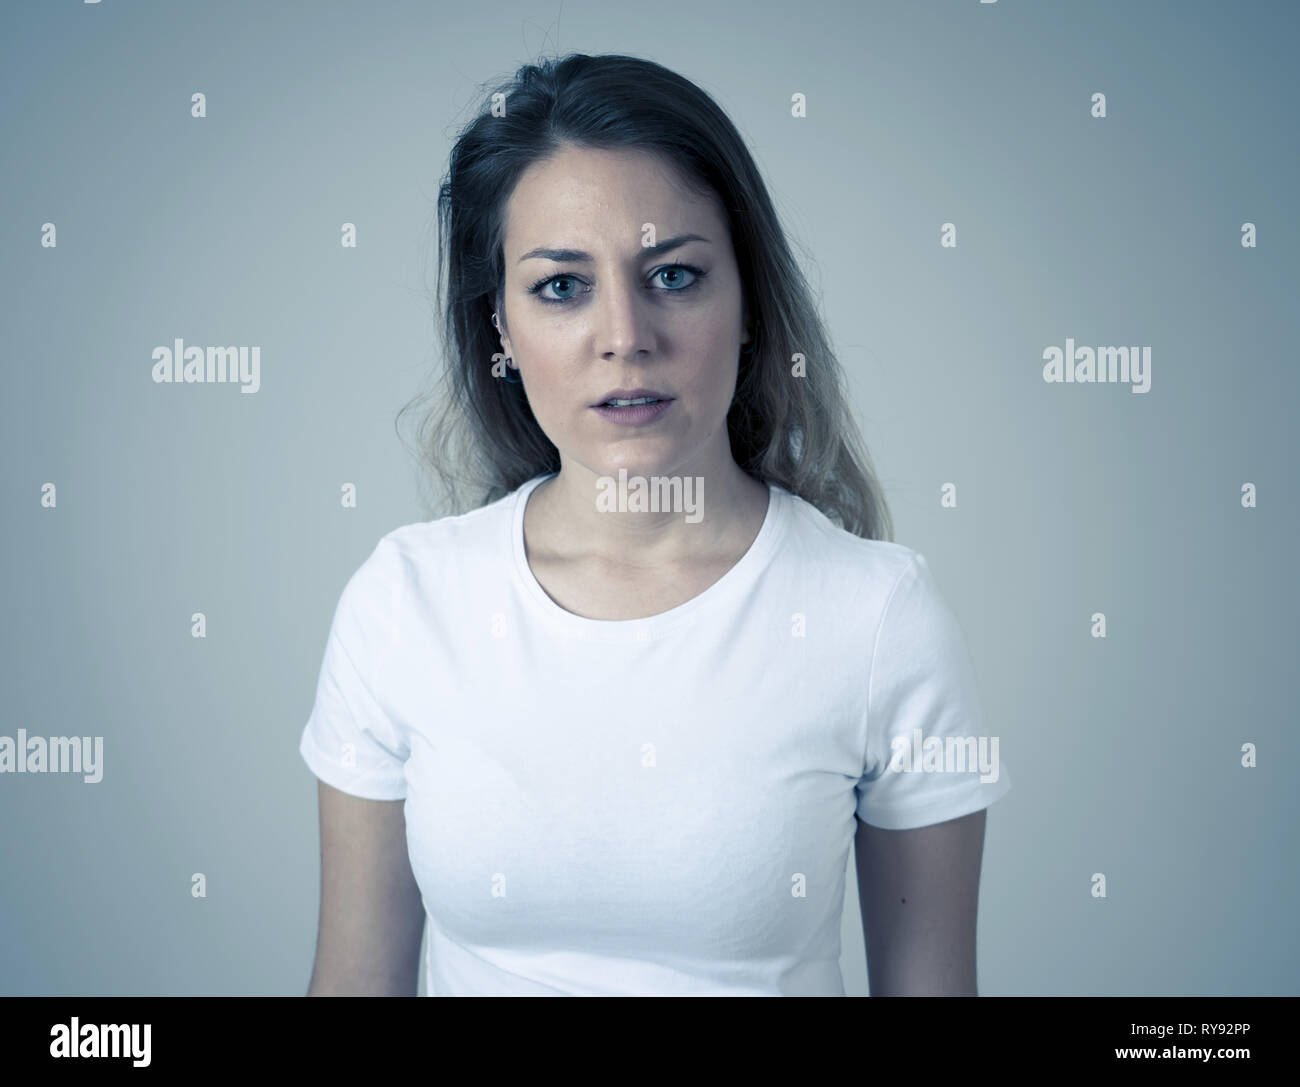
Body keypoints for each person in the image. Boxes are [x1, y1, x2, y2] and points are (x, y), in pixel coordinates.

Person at [299, 52, 1011, 997]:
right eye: (562, 286)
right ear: (499, 329)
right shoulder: (405, 603)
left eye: (673, 275)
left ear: (749, 298)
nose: (625, 334)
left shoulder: (878, 617)